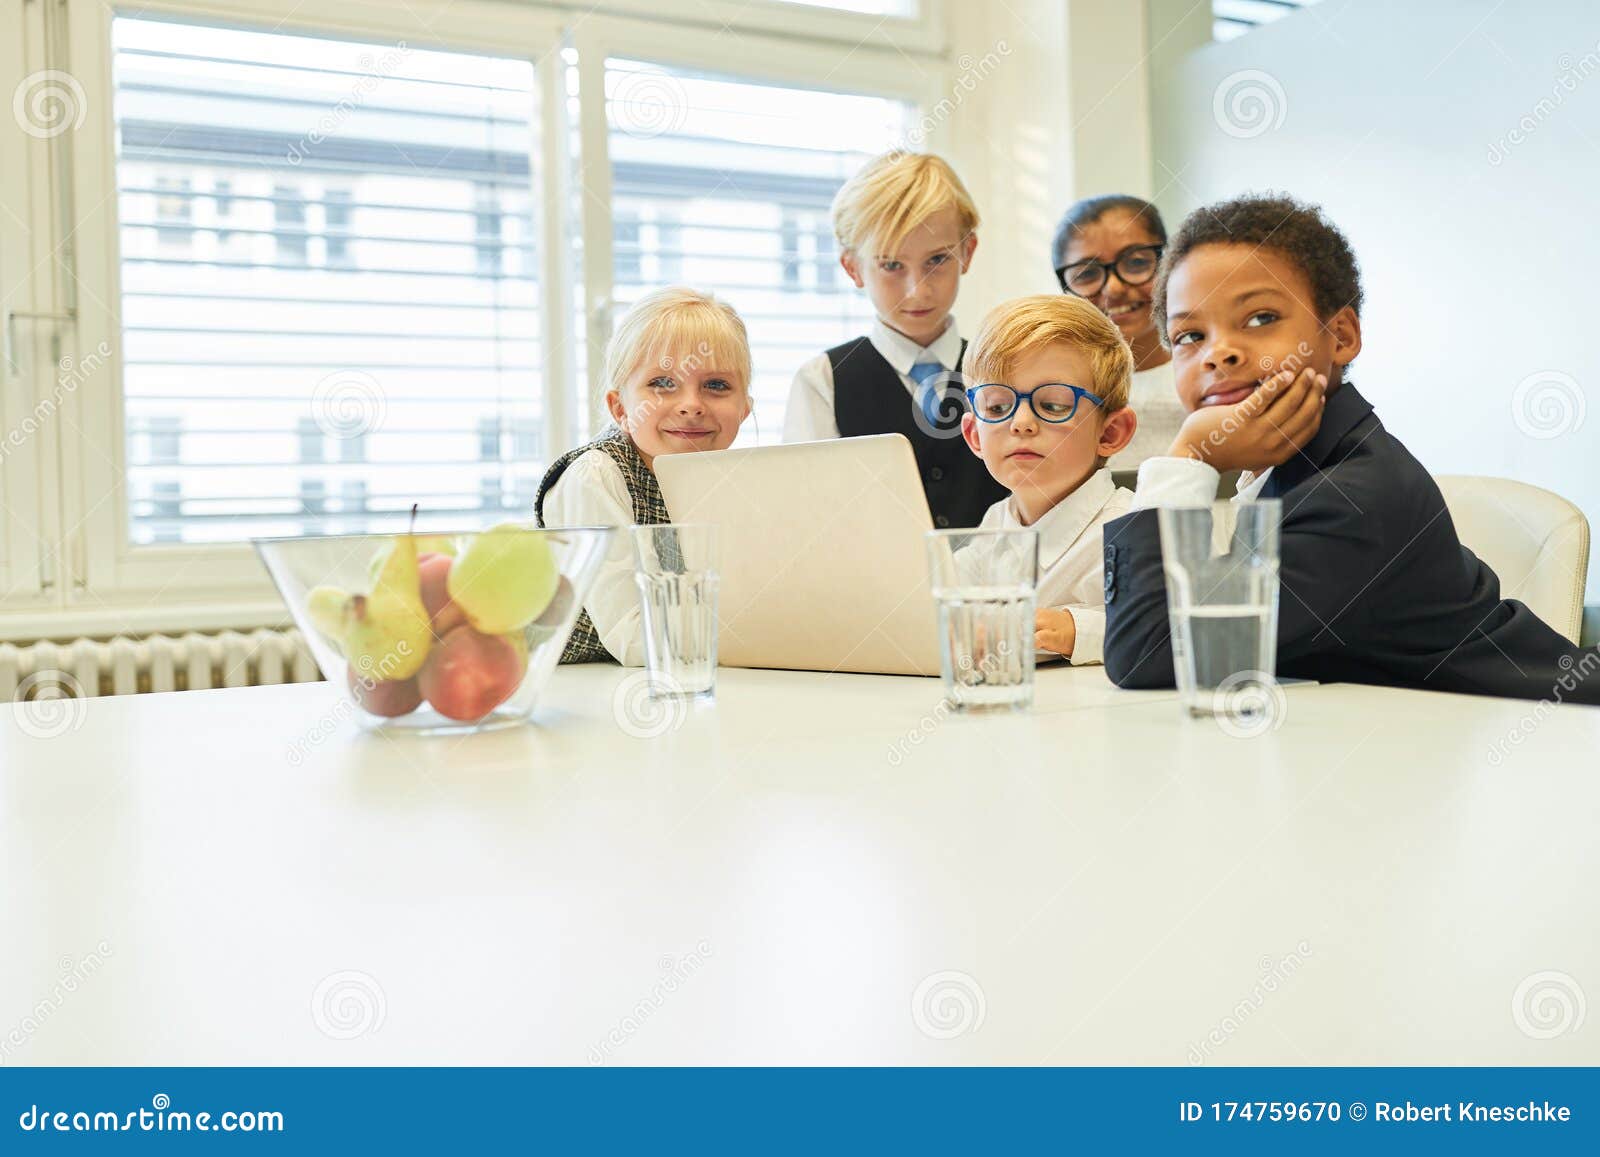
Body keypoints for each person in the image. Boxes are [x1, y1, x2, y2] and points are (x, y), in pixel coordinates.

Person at [1102, 193, 1600, 704]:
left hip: (1563, 746)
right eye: (1189, 335)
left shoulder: (1353, 497)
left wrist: (1188, 455)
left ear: (1339, 335)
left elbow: (1150, 653)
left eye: (1260, 318)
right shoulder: (1297, 473)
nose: (1219, 353)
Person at [782, 150, 1005, 528]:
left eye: (937, 260)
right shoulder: (823, 381)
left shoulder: (1006, 369)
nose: (917, 291)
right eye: (891, 265)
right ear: (852, 267)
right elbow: (808, 519)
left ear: (967, 252)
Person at [537, 288, 752, 664]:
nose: (691, 406)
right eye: (662, 384)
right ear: (620, 408)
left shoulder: (733, 480)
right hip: (565, 687)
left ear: (745, 407)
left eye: (716, 385)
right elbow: (636, 639)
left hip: (656, 677)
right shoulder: (595, 475)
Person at [957, 295, 1137, 665]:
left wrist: (1076, 630)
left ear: (1111, 432)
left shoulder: (1131, 527)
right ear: (975, 435)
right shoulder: (995, 523)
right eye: (997, 407)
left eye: (1053, 405)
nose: (1020, 422)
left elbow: (1168, 627)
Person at [1051, 194, 1186, 470]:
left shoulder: (1211, 379)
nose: (1113, 288)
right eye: (1087, 273)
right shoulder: (1055, 396)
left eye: (1136, 263)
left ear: (1169, 262)